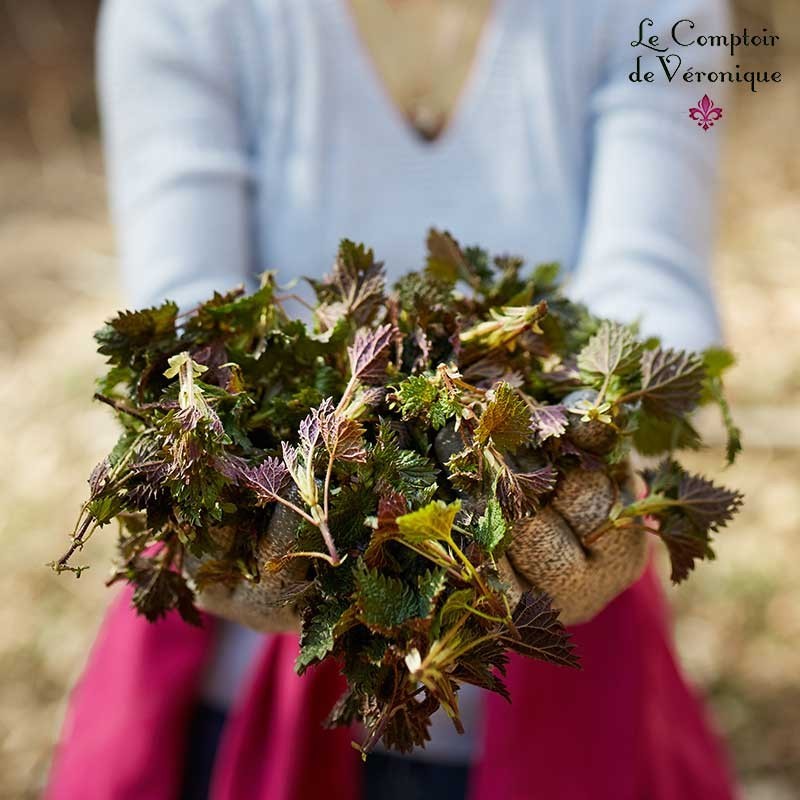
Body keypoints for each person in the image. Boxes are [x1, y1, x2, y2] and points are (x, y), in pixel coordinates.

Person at [48, 1, 736, 798]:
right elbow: (188, 326)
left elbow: (650, 284)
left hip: (552, 666)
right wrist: (239, 500)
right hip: (238, 695)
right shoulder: (187, 15)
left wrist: (589, 454)